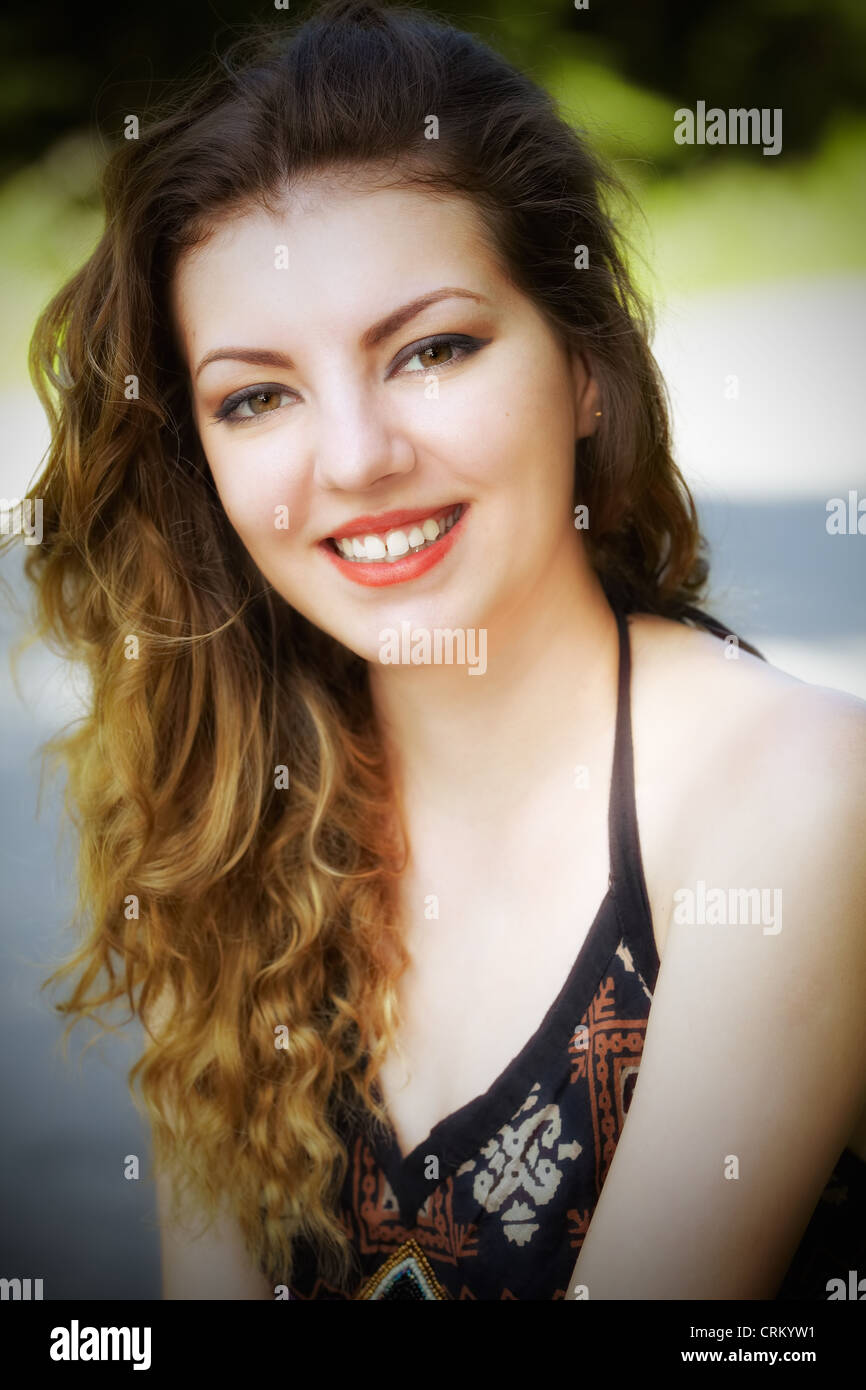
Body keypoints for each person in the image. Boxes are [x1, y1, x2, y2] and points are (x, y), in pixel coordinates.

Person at [14, 0, 865, 1300]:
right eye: (257, 395)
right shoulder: (232, 811)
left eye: (431, 349)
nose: (356, 459)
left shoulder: (796, 796)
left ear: (585, 367)